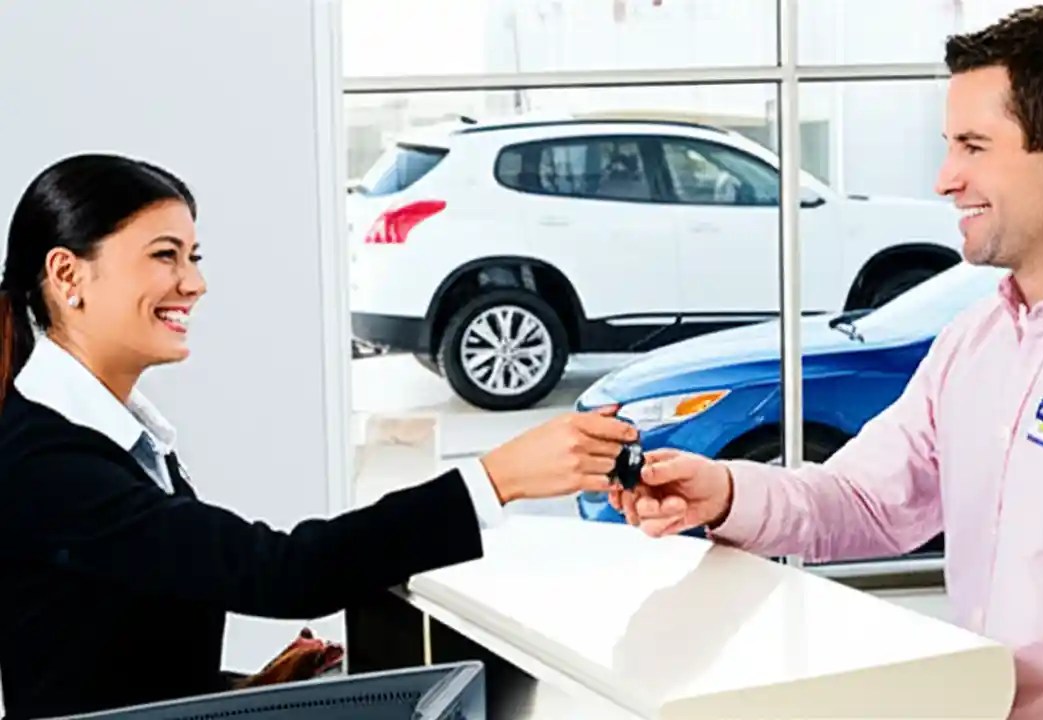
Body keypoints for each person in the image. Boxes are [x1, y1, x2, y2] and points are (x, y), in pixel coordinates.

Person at [614, 7, 1043, 719]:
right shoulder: (975, 342)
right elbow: (867, 501)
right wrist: (722, 492)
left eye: (972, 146)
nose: (944, 178)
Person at [0, 153, 638, 719]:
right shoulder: (44, 459)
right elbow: (282, 572)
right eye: (165, 255)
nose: (194, 283)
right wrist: (498, 479)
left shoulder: (116, 439)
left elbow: (106, 659)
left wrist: (250, 687)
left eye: (193, 258)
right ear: (67, 276)